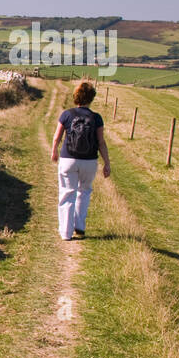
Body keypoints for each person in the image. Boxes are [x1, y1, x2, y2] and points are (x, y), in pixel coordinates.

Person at [51, 80, 110, 240]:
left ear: (75, 96)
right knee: (84, 192)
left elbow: (57, 137)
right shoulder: (96, 118)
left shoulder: (67, 114)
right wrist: (107, 163)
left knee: (67, 193)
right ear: (91, 98)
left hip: (68, 159)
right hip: (89, 161)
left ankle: (65, 232)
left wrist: (54, 151)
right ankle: (80, 227)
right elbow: (101, 142)